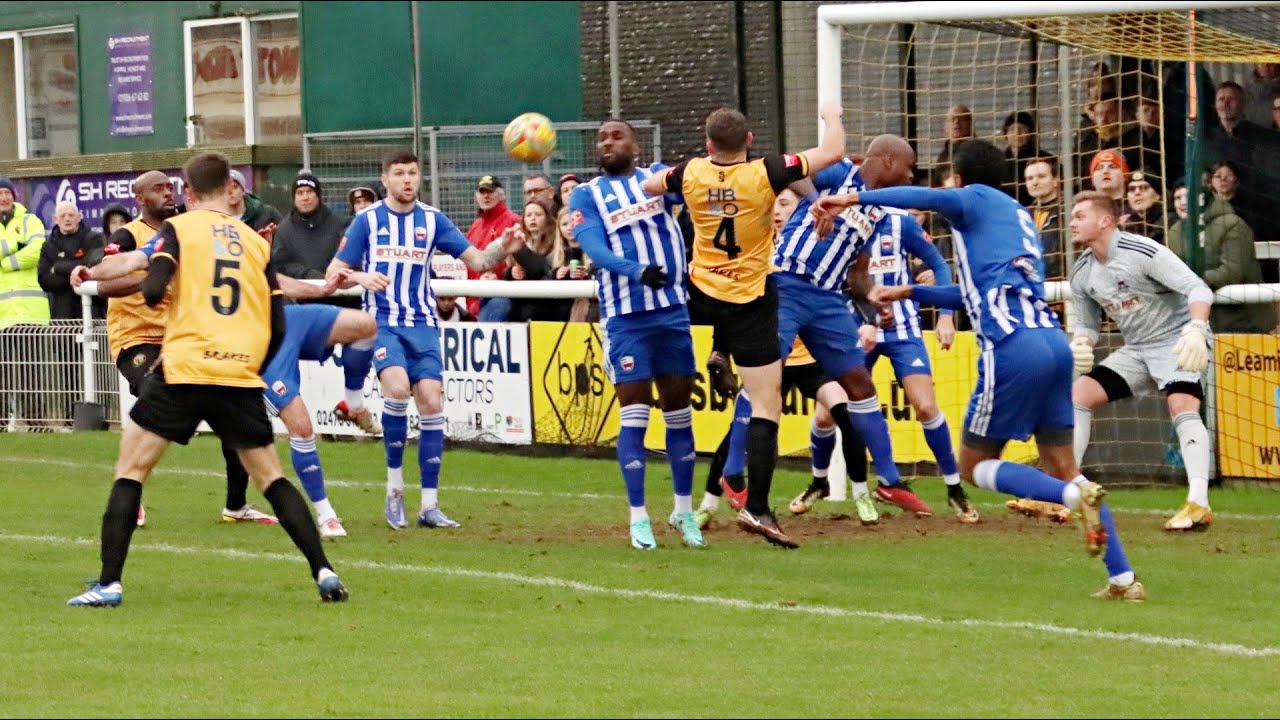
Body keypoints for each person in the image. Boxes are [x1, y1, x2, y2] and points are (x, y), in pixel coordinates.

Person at [819, 139, 1144, 601]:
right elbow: (973, 295)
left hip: (1013, 347)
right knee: (1064, 466)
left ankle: (1073, 500)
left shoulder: (972, 199)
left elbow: (922, 199)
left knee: (973, 466)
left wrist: (853, 197)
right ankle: (1123, 578)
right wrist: (911, 293)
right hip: (1052, 342)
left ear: (958, 178)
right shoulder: (1016, 219)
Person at [65, 152, 348, 607]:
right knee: (273, 479)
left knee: (131, 470)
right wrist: (254, 363)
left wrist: (91, 274)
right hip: (236, 373)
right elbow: (276, 324)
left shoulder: (179, 230)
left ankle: (109, 584)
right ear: (230, 190)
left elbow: (145, 274)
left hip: (185, 369)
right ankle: (325, 572)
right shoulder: (256, 244)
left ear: (190, 193)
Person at [642, 103, 847, 548]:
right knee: (765, 402)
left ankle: (715, 350)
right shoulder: (767, 172)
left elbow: (649, 185)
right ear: (749, 141)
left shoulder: (691, 172)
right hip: (749, 299)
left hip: (700, 293)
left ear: (708, 141)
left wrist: (668, 182)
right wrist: (831, 114)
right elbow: (834, 151)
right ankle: (757, 506)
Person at [327, 150, 526, 530]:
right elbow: (334, 271)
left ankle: (430, 505)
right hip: (382, 322)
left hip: (422, 322)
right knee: (398, 390)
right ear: (384, 179)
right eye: (399, 173)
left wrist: (505, 246)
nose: (407, 180)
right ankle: (395, 490)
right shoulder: (367, 221)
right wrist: (360, 278)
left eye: (413, 173)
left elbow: (480, 261)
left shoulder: (432, 220)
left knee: (432, 402)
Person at [80, 170, 278, 528]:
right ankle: (130, 491)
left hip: (184, 340)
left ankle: (236, 506)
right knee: (154, 398)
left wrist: (254, 248)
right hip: (137, 339)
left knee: (232, 409)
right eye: (158, 189)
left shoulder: (187, 230)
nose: (168, 193)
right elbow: (107, 284)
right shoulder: (129, 234)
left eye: (170, 188)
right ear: (140, 199)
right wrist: (154, 276)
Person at [698, 188, 879, 528]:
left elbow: (844, 287)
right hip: (773, 358)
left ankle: (861, 493)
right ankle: (708, 502)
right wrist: (721, 347)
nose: (779, 211)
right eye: (775, 204)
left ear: (803, 212)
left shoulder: (816, 252)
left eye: (786, 205)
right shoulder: (759, 248)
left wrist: (866, 319)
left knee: (844, 411)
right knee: (744, 421)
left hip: (810, 361)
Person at [570, 119, 703, 550]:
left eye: (617, 136)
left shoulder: (656, 178)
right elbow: (594, 248)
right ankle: (638, 518)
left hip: (672, 312)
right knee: (635, 410)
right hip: (626, 318)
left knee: (679, 408)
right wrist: (636, 271)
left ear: (635, 144)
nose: (608, 142)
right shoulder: (586, 194)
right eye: (602, 138)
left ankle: (684, 512)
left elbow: (697, 194)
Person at [1067, 191, 1217, 533]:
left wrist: (1196, 328)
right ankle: (1068, 490)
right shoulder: (1081, 273)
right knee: (1080, 395)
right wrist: (1081, 343)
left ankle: (1198, 503)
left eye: (1079, 216)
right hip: (1137, 349)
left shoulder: (1143, 251)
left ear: (1105, 221)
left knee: (1182, 406)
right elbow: (1088, 325)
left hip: (1179, 339)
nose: (1072, 222)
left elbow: (1198, 288)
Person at [842, 140, 975, 523]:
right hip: (859, 327)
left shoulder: (900, 222)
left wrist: (946, 317)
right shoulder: (848, 219)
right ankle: (824, 483)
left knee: (927, 405)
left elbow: (938, 262)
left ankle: (954, 488)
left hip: (902, 329)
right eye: (909, 167)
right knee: (825, 415)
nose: (912, 175)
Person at [261, 302, 379, 539]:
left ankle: (353, 406)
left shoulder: (262, 264)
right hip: (253, 332)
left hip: (286, 316)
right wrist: (318, 288)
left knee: (365, 325)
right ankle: (326, 515)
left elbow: (276, 280)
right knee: (301, 427)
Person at [1166, 182, 1275, 333]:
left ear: (1205, 199)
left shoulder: (1233, 224)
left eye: (1189, 196)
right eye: (1178, 197)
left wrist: (1194, 282)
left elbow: (1233, 271)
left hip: (1244, 322)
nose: (1183, 202)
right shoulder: (1175, 232)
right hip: (1199, 323)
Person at [272, 171, 350, 282]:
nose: (305, 198)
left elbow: (348, 258)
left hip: (339, 292)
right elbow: (281, 264)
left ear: (318, 195)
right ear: (294, 198)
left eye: (310, 191)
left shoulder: (340, 224)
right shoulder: (283, 230)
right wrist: (307, 274)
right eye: (300, 193)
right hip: (300, 295)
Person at [464, 175, 520, 320]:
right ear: (476, 196)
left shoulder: (513, 221)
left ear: (501, 195)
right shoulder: (475, 226)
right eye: (482, 192)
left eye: (490, 191)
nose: (486, 196)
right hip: (474, 301)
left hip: (501, 298)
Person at [39, 201, 105, 320]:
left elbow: (93, 266)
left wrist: (58, 268)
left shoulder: (94, 239)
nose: (67, 219)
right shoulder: (48, 245)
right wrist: (76, 275)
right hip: (61, 318)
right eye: (63, 216)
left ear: (79, 217)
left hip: (92, 312)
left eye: (71, 215)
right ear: (55, 219)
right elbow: (44, 280)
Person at [1024, 157, 1067, 280]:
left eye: (1041, 176)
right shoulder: (1022, 214)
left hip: (1062, 282)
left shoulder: (1069, 211)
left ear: (1056, 180)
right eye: (1029, 178)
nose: (1035, 182)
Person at [1001, 111, 1040, 205]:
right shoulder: (997, 160)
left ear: (1031, 134)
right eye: (1012, 129)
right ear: (1005, 135)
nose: (1017, 133)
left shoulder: (1043, 158)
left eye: (1022, 129)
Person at [1122, 171, 1165, 245]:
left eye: (1144, 188)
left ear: (1157, 195)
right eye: (1132, 189)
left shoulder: (1168, 222)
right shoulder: (1124, 227)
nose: (1137, 193)